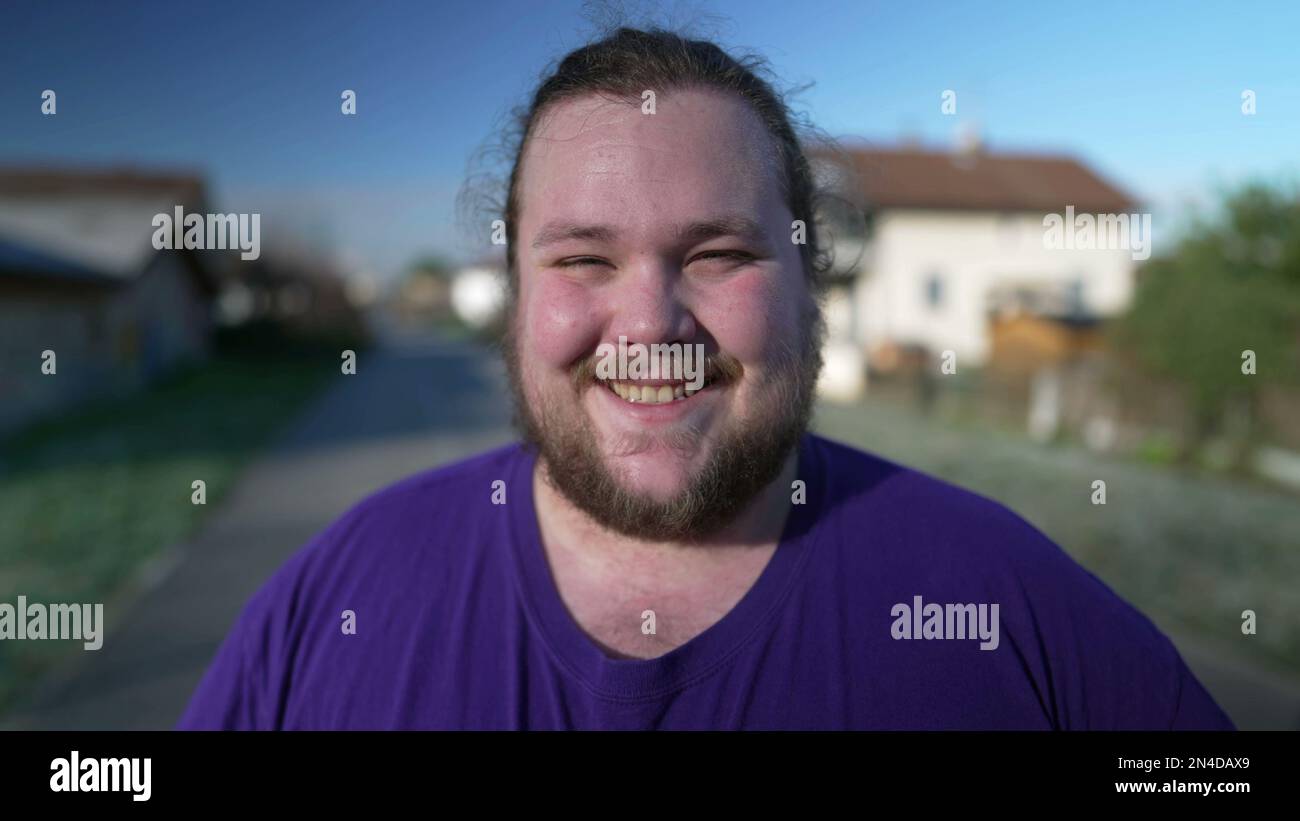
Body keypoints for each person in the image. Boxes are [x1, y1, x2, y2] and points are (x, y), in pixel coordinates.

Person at [179, 26, 1233, 730]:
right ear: (511, 286)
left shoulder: (1006, 601)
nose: (647, 322)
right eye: (583, 258)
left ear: (809, 278)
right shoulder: (333, 601)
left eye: (719, 252)